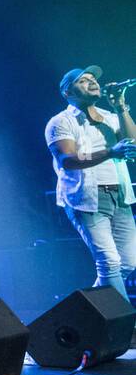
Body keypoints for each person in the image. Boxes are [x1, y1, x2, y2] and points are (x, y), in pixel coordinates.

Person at [45, 66, 136, 301]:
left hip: (121, 195)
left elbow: (133, 144)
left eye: (93, 79)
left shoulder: (111, 117)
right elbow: (68, 160)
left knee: (128, 262)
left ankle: (86, 308)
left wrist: (120, 106)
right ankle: (123, 327)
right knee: (109, 262)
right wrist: (110, 152)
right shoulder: (60, 122)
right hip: (87, 199)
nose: (92, 82)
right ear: (68, 92)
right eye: (83, 80)